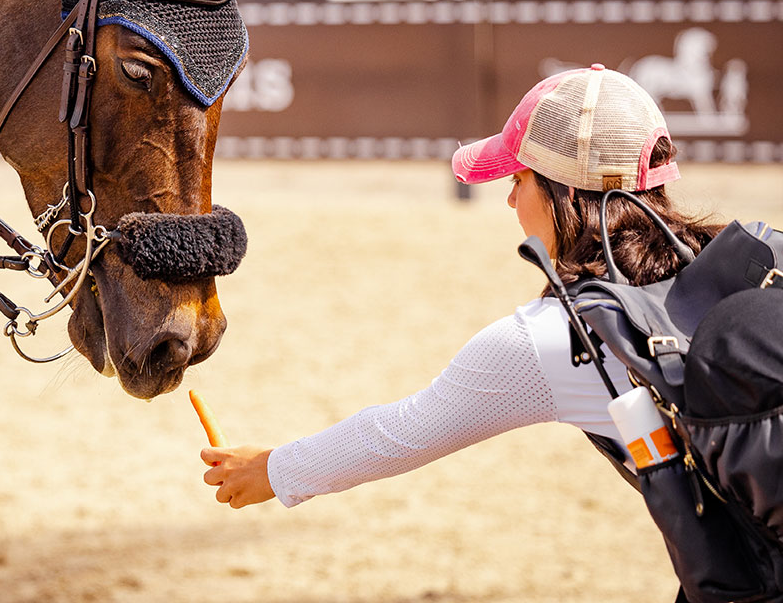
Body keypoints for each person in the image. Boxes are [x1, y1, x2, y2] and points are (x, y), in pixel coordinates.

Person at [201, 63, 723, 510]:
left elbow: (401, 432)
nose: (511, 202)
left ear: (564, 192)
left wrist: (272, 470)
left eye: (519, 181)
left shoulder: (563, 335)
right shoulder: (739, 261)